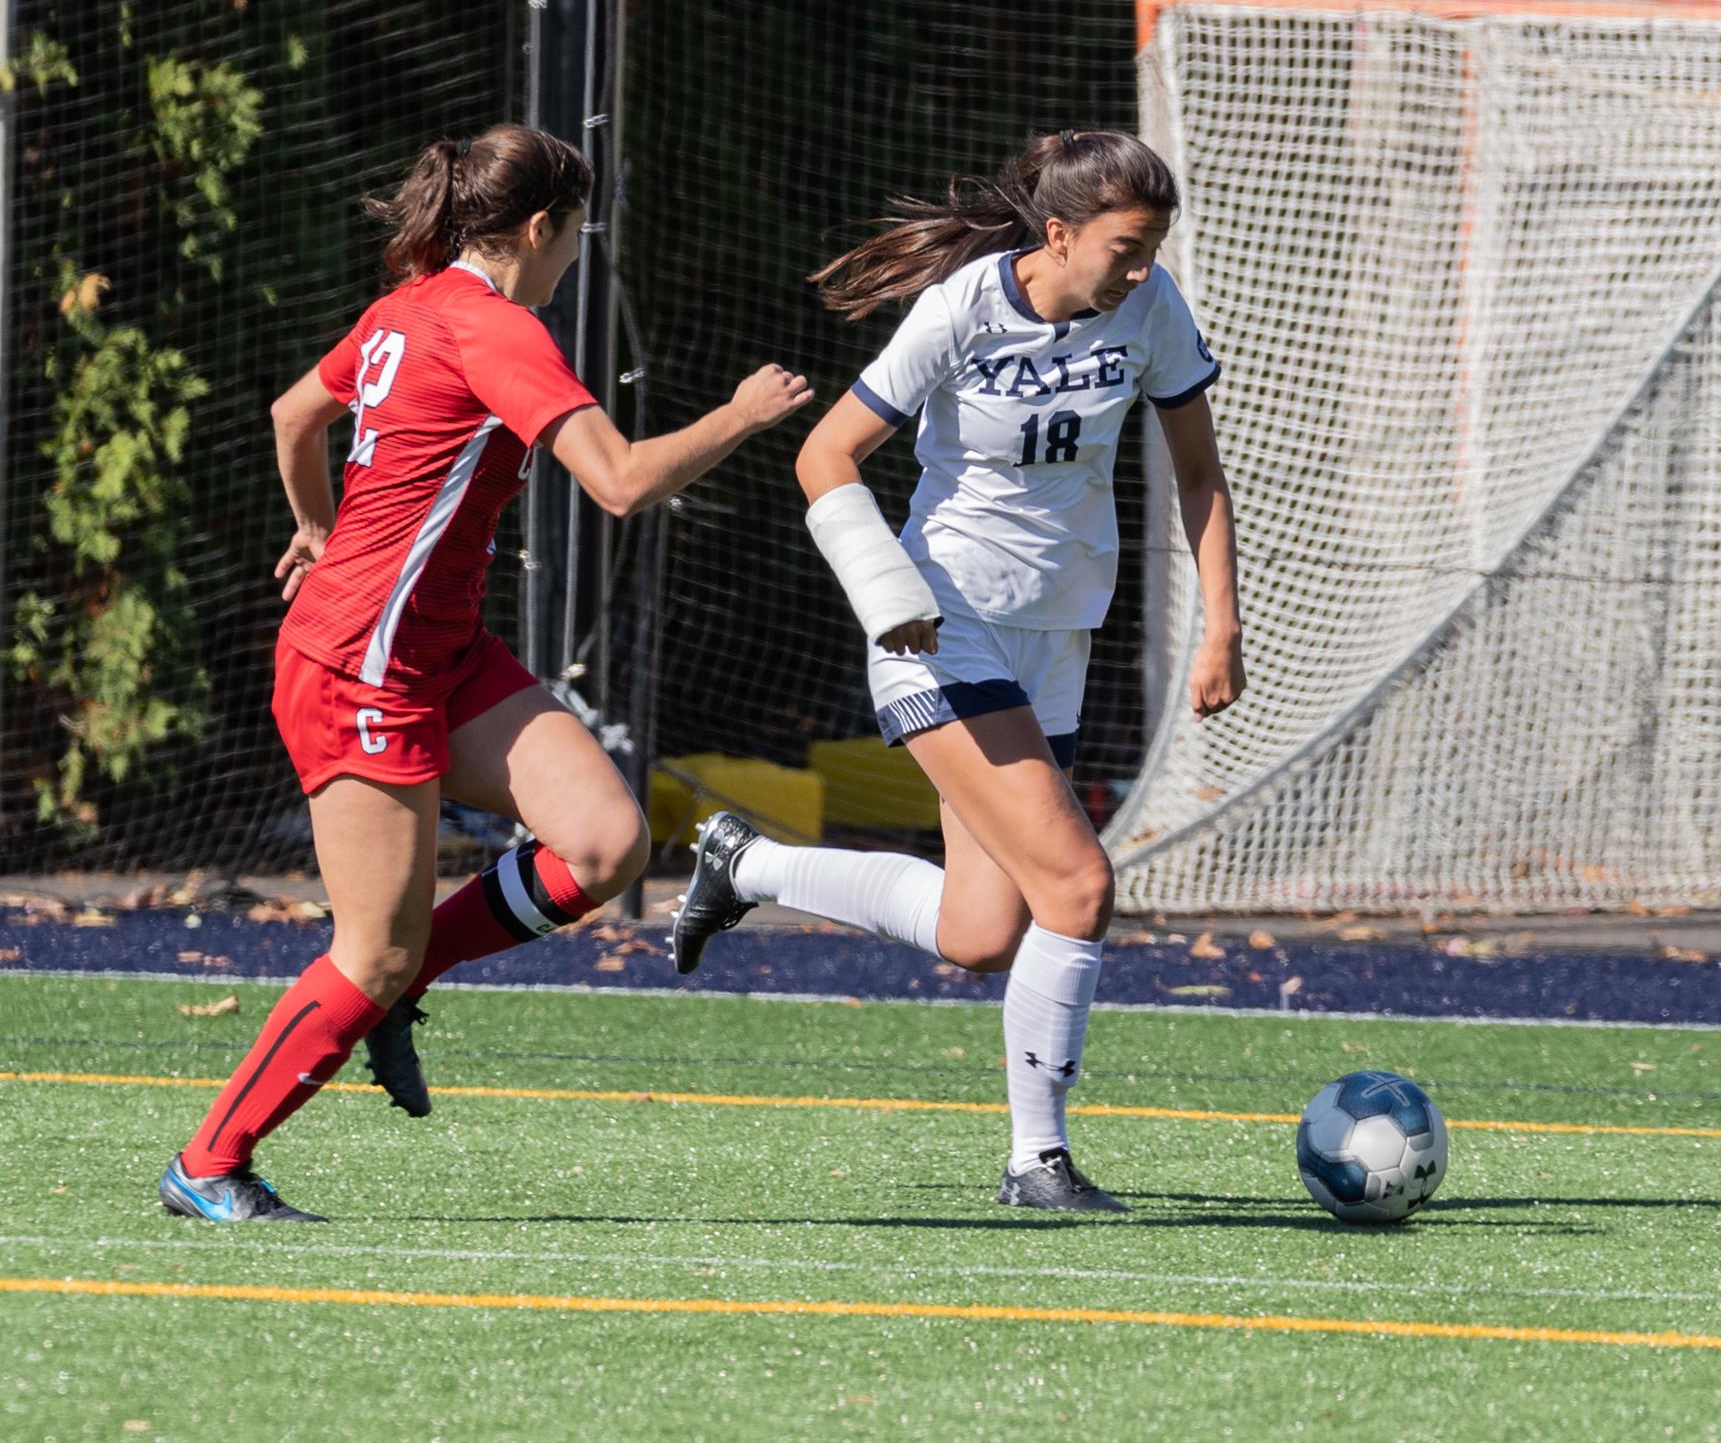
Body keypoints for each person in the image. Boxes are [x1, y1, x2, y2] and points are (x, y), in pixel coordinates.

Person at [159, 124, 811, 1221]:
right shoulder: (490, 328)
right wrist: (741, 417)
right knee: (368, 952)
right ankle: (209, 1163)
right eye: (576, 238)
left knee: (604, 843)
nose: (573, 261)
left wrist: (319, 525)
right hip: (360, 663)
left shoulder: (408, 307)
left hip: (440, 649)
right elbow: (616, 481)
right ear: (544, 227)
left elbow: (292, 416)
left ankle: (402, 983)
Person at [669, 128, 1244, 1213]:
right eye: (1123, 247)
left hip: (1056, 638)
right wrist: (890, 597)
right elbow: (821, 455)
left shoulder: (1152, 309)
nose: (1138, 269)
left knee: (984, 933)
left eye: (1152, 247)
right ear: (1059, 232)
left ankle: (746, 867)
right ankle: (1038, 1162)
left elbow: (1198, 473)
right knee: (1076, 886)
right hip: (942, 632)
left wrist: (1221, 623)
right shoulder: (961, 309)